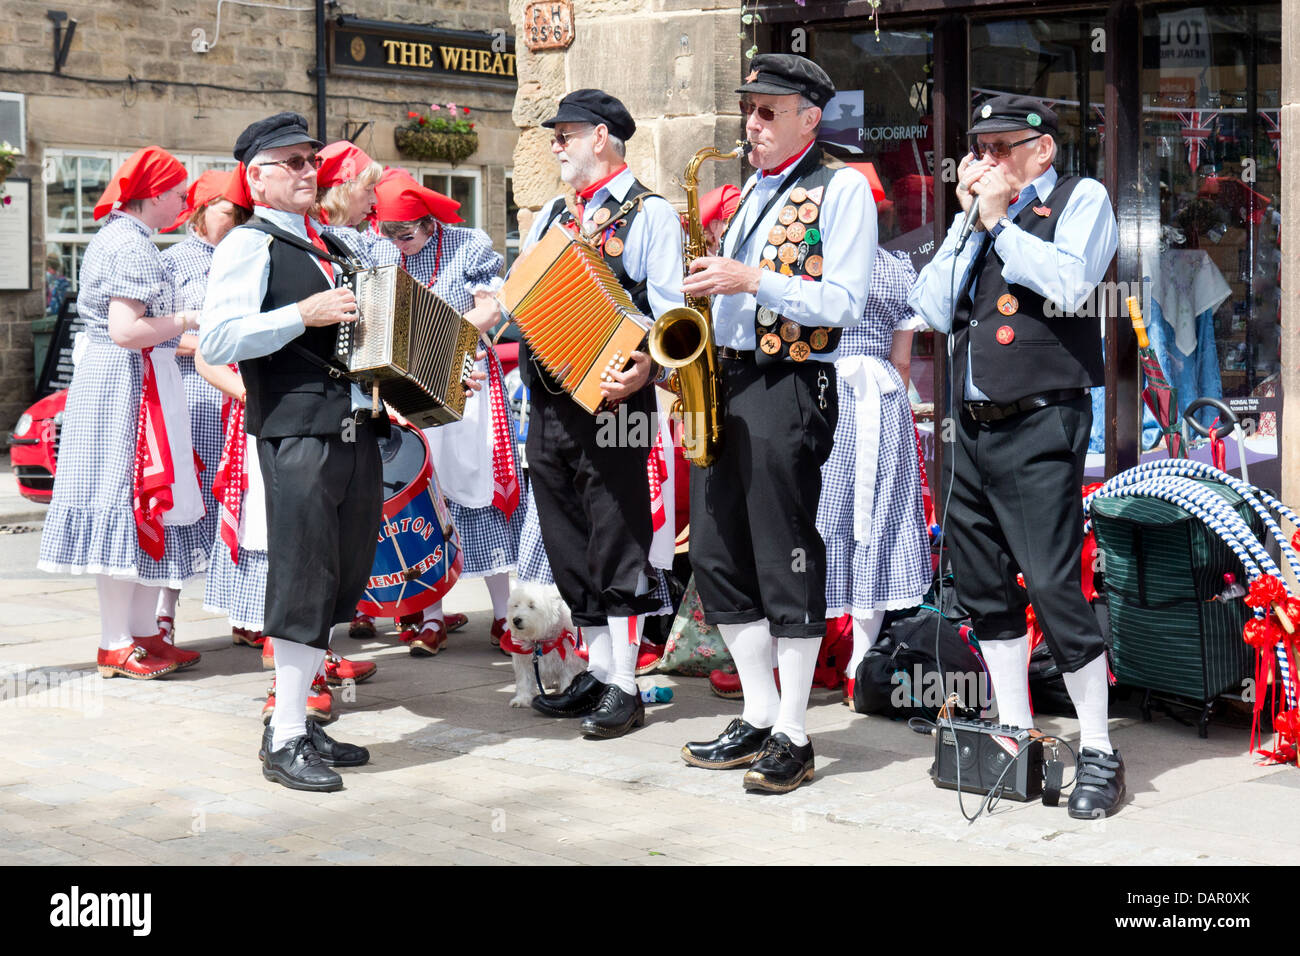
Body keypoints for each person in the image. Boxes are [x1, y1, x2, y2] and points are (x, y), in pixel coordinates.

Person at [907, 94, 1122, 818]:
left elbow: (1069, 284)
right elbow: (931, 308)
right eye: (981, 148)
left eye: (1002, 148)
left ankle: (1098, 748)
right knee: (984, 586)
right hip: (971, 427)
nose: (987, 161)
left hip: (1040, 421)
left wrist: (1000, 221)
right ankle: (1012, 729)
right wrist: (971, 225)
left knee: (1056, 586)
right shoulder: (977, 220)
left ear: (1041, 150)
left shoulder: (1080, 198)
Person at [678, 54, 876, 793]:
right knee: (715, 553)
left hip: (787, 381)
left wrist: (751, 277)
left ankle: (795, 729)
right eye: (748, 110)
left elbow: (845, 303)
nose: (752, 124)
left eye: (768, 110)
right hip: (723, 376)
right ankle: (758, 712)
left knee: (783, 552)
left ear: (809, 117)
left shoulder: (842, 189)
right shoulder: (749, 194)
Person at [201, 112, 375, 792]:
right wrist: (300, 316)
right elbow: (216, 342)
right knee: (303, 578)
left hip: (354, 427)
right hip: (298, 429)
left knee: (337, 580)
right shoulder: (248, 244)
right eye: (293, 162)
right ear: (258, 177)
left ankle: (302, 718)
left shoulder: (328, 243)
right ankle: (284, 733)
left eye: (311, 160)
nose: (309, 171)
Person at [519, 89, 686, 739]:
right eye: (554, 136)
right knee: (566, 539)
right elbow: (524, 296)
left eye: (565, 134)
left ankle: (627, 683)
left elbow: (671, 313)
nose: (556, 146)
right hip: (549, 400)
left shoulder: (650, 215)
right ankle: (598, 669)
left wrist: (647, 362)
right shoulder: (550, 218)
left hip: (618, 398)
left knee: (617, 535)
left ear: (603, 137)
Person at [37, 146, 206, 679]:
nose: (184, 200)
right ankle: (116, 641)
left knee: (145, 504)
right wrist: (186, 318)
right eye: (179, 192)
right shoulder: (129, 245)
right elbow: (126, 331)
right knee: (123, 496)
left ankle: (141, 634)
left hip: (133, 379)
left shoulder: (127, 238)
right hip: (122, 385)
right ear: (153, 194)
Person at [369, 173, 517, 656]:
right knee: (422, 495)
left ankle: (504, 616)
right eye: (386, 231)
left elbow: (490, 311)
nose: (395, 242)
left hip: (466, 377)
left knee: (478, 495)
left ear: (429, 223)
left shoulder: (468, 244)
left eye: (404, 233)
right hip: (409, 385)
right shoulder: (381, 255)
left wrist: (426, 337)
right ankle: (430, 617)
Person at [816, 247, 931, 704]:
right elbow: (901, 360)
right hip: (881, 399)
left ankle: (799, 657)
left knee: (820, 517)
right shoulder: (895, 267)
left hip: (825, 390)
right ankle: (859, 668)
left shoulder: (818, 259)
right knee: (879, 521)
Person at [152, 169, 250, 644]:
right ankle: (163, 613)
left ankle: (246, 614)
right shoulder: (174, 262)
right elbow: (155, 334)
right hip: (196, 399)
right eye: (230, 212)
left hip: (243, 395)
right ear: (201, 210)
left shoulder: (250, 256)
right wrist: (211, 346)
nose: (237, 221)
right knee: (186, 504)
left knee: (241, 504)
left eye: (241, 214)